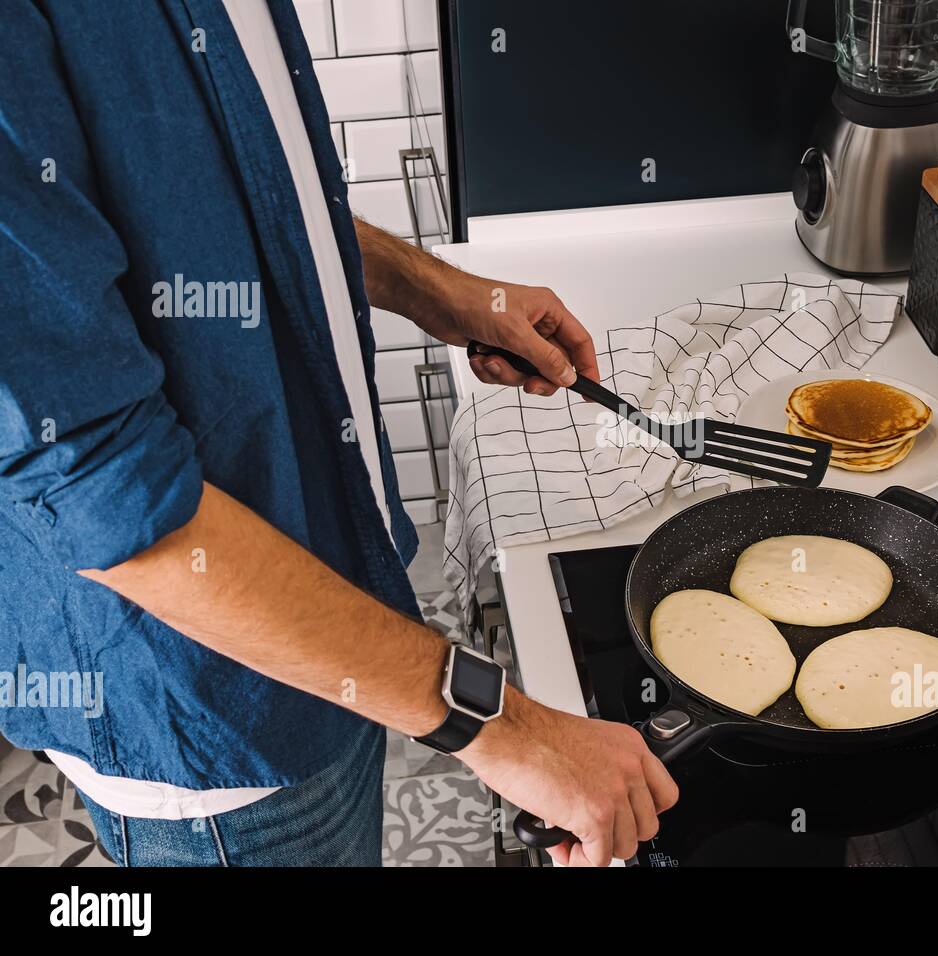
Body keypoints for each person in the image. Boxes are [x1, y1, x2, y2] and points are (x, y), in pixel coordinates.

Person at [0, 0, 675, 867]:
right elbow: (105, 496)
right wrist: (509, 729)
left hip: (338, 618)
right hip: (218, 731)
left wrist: (446, 293)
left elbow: (259, 211)